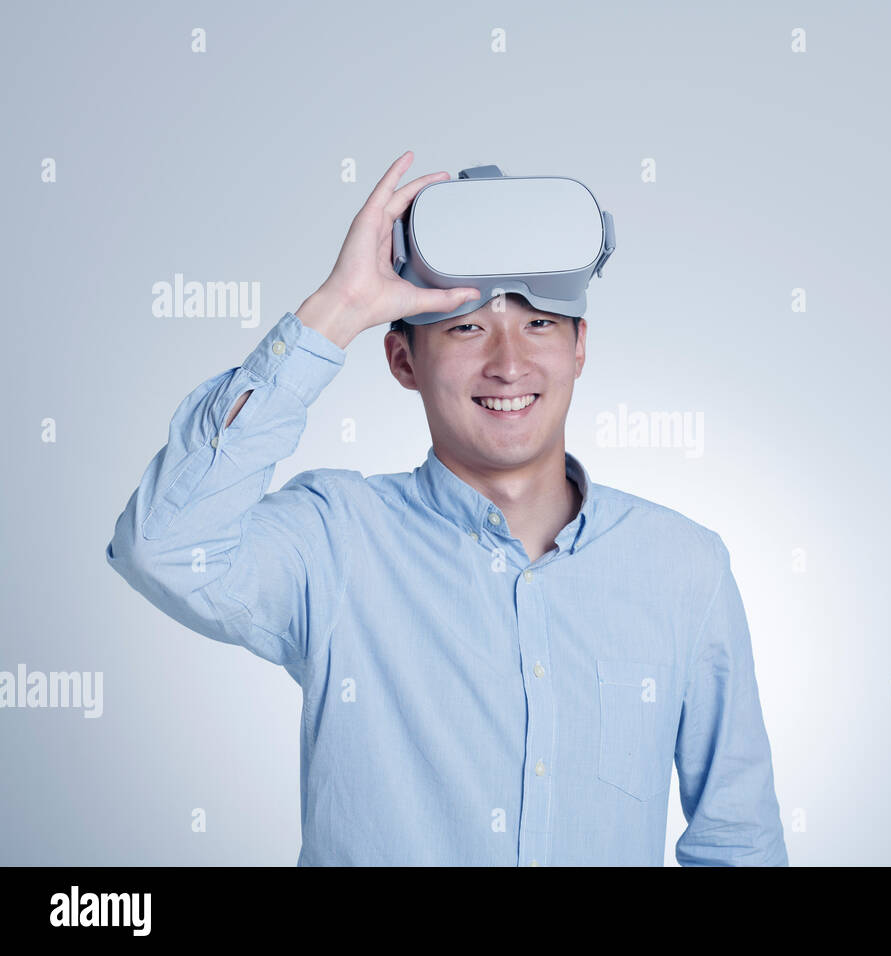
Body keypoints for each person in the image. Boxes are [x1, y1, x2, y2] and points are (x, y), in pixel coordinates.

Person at [105, 151, 788, 866]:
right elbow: (165, 547)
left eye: (540, 325)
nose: (508, 362)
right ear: (403, 361)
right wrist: (336, 310)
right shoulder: (337, 540)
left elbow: (738, 843)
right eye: (466, 329)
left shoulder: (683, 566)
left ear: (580, 346)